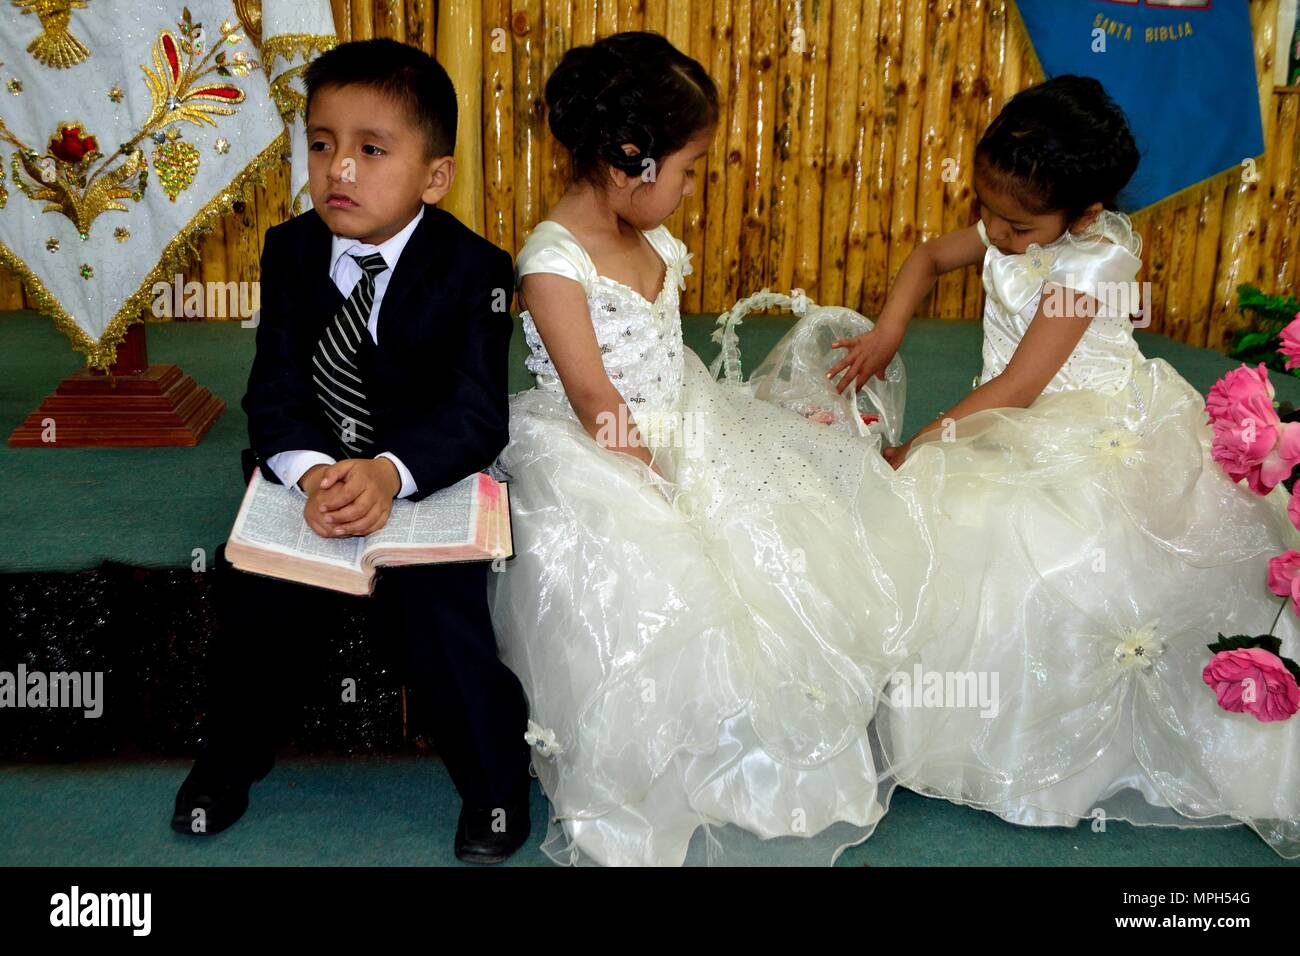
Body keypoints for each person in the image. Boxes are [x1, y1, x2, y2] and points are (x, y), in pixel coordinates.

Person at [487, 31, 942, 866]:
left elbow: (662, 359)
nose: (692, 188)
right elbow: (597, 401)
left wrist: (711, 436)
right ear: (631, 162)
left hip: (679, 412)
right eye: (689, 169)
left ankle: (766, 770)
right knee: (674, 579)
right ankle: (662, 778)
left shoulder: (653, 241)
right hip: (603, 447)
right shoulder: (553, 263)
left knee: (785, 539)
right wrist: (660, 482)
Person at [831, 75, 1300, 858]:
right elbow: (924, 257)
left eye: (1016, 224)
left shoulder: (1097, 260)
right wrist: (889, 328)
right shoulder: (1014, 220)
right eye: (986, 210)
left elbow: (1019, 386)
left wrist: (922, 445)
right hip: (1009, 412)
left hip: (1077, 422)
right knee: (945, 533)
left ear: (1081, 215)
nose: (994, 232)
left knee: (1045, 553)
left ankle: (1035, 754)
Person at [171, 38, 531, 864]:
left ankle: (495, 786)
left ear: (433, 176)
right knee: (258, 603)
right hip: (313, 474)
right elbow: (274, 393)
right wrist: (310, 473)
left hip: (422, 477)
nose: (339, 170)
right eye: (322, 143)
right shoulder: (291, 250)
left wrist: (389, 473)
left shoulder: (475, 268)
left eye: (372, 150)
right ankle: (227, 763)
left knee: (439, 617)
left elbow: (477, 414)